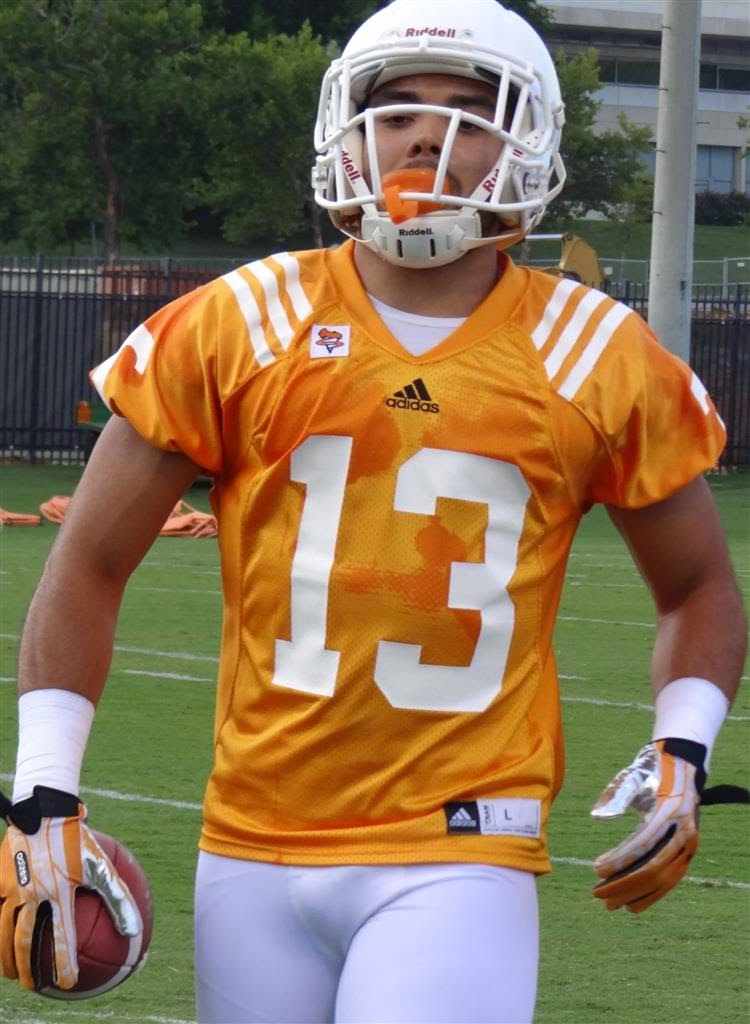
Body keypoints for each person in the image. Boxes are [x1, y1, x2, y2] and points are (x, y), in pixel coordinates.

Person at [0, 1, 746, 1021]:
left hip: (462, 847)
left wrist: (684, 747)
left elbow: (698, 586)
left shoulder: (594, 354)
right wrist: (44, 787)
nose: (426, 137)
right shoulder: (241, 322)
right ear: (347, 132)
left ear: (526, 146)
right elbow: (88, 559)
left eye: (468, 115)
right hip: (251, 844)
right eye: (397, 111)